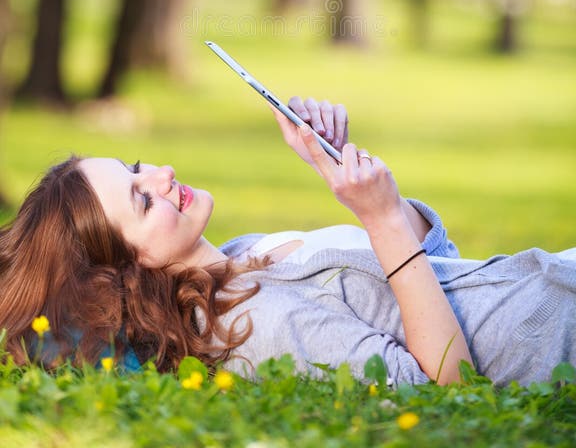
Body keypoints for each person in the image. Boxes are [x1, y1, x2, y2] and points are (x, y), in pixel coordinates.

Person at [0, 98, 574, 387]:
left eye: (136, 166)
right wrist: (382, 223)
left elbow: (441, 267)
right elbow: (446, 388)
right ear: (128, 270)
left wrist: (349, 179)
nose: (163, 173)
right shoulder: (254, 326)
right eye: (141, 198)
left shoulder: (243, 252)